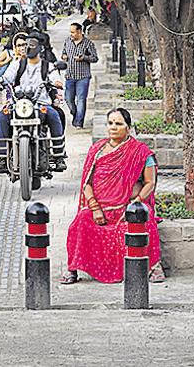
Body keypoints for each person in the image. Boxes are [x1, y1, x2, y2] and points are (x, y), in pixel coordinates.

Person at [62, 108, 164, 284]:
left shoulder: (141, 152)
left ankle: (154, 266)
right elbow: (87, 183)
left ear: (128, 127)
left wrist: (135, 205)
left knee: (144, 218)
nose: (113, 128)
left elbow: (150, 183)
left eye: (118, 124)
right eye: (110, 123)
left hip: (129, 208)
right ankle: (73, 268)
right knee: (80, 221)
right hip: (100, 209)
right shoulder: (97, 150)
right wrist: (94, 208)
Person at [0, 35, 66, 172]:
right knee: (1, 116)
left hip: (41, 104)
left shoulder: (47, 66)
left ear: (40, 48)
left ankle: (58, 155)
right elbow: (7, 77)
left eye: (32, 45)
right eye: (27, 45)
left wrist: (57, 83)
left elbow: (55, 77)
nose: (28, 48)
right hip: (19, 104)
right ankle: (2, 157)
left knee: (55, 116)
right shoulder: (17, 65)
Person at [61, 22, 99, 128]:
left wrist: (84, 58)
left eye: (73, 32)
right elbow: (64, 52)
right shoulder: (68, 41)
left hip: (83, 77)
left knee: (81, 99)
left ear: (79, 32)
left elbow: (95, 58)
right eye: (70, 32)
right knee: (68, 99)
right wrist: (64, 56)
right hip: (70, 75)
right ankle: (75, 113)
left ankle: (79, 122)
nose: (71, 34)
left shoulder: (88, 43)